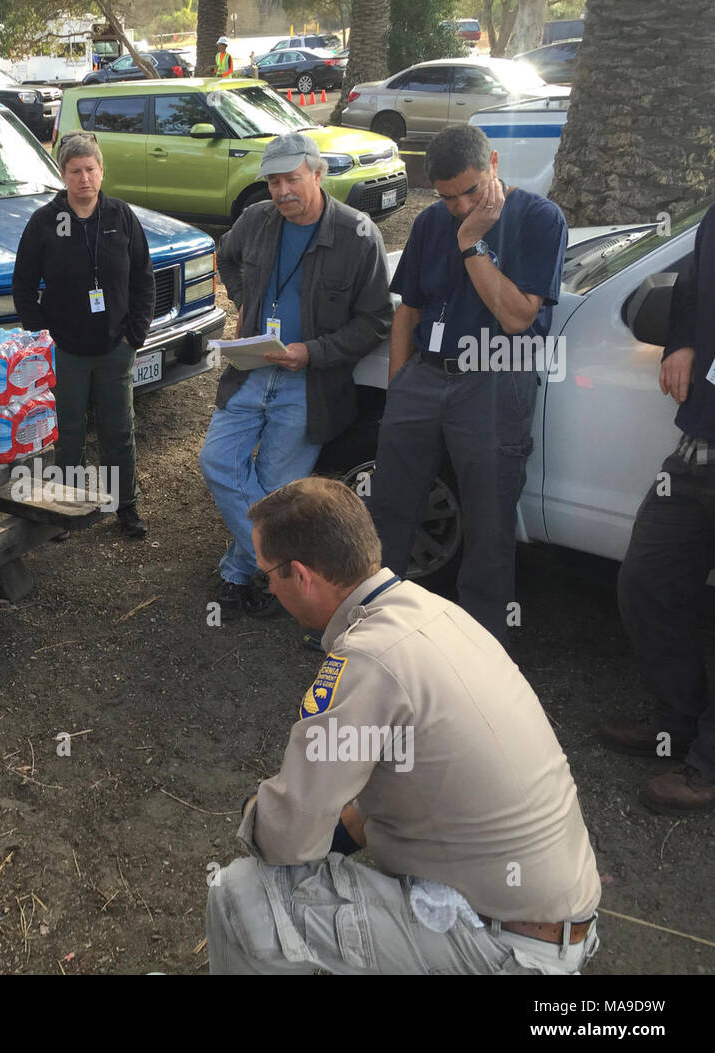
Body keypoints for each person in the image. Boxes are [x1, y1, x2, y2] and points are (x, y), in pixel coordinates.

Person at [206, 477, 601, 975]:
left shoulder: (370, 659)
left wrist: (258, 816)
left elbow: (285, 837)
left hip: (503, 948)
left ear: (302, 576)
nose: (269, 587)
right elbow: (393, 799)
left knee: (240, 896)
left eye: (268, 576)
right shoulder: (434, 613)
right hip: (553, 924)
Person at [368, 124, 567, 645]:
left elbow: (517, 317)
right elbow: (408, 310)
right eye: (447, 197)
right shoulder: (432, 221)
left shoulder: (540, 219)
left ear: (494, 162)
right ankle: (372, 623)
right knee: (389, 505)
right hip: (425, 375)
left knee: (489, 518)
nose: (459, 206)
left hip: (496, 381)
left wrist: (471, 243)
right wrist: (400, 387)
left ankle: (482, 646)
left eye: (471, 191)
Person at [201, 132, 391, 619]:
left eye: (292, 179)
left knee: (277, 490)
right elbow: (228, 255)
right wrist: (244, 301)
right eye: (273, 182)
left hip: (309, 382)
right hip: (252, 368)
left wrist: (313, 352)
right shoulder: (257, 220)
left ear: (318, 173)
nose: (282, 191)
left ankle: (239, 573)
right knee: (218, 462)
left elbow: (375, 321)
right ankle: (282, 572)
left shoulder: (358, 234)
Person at [607, 203, 715, 813]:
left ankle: (708, 765)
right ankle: (677, 722)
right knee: (646, 580)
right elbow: (695, 286)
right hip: (702, 438)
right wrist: (682, 342)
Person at [12, 131, 154, 538]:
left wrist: (134, 335)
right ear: (63, 175)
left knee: (118, 429)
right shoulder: (45, 222)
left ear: (102, 170)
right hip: (64, 352)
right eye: (75, 171)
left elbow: (144, 279)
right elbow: (23, 286)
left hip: (115, 348)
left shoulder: (121, 216)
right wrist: (43, 339)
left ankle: (123, 504)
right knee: (67, 431)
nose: (84, 179)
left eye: (91, 169)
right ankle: (67, 507)